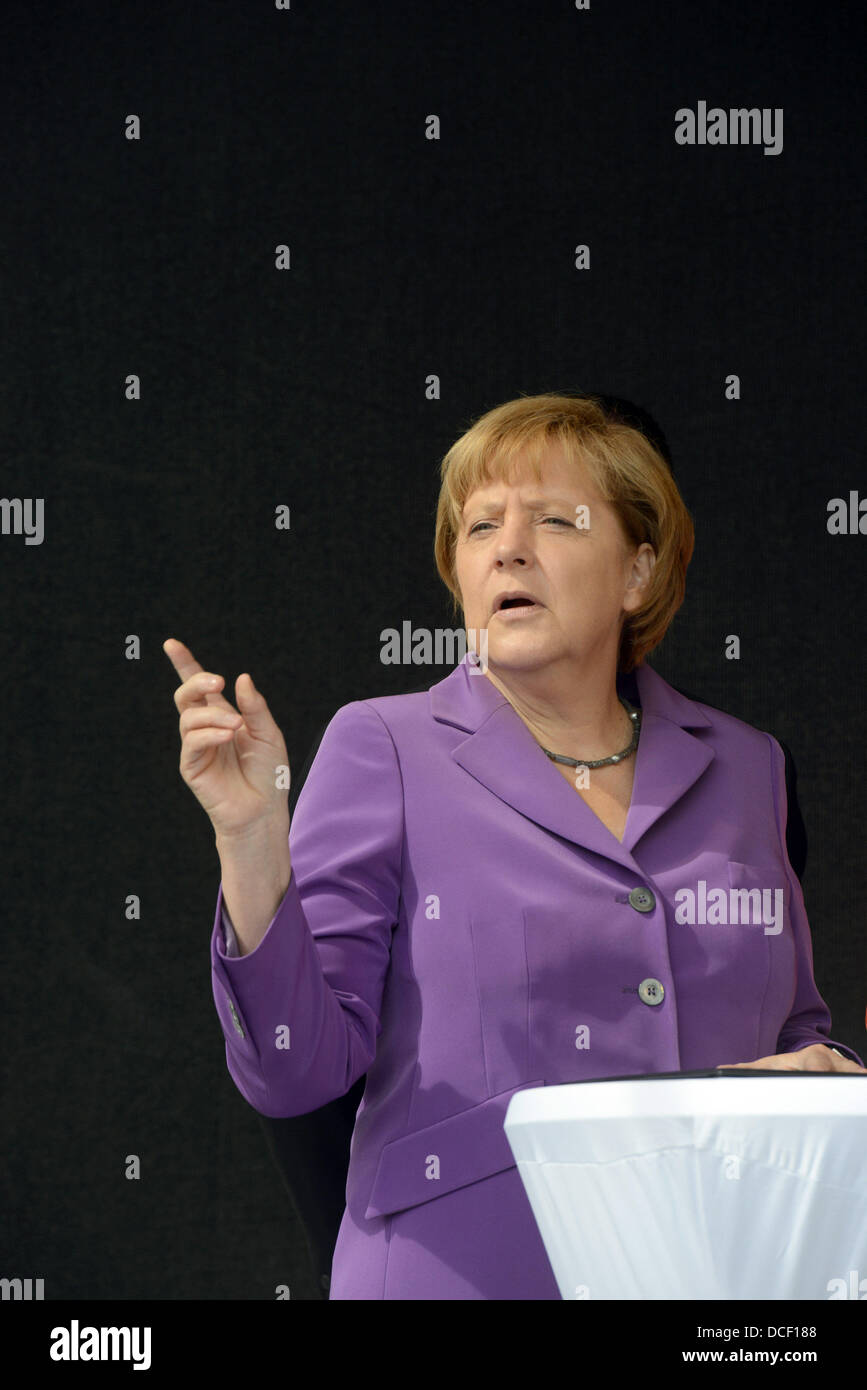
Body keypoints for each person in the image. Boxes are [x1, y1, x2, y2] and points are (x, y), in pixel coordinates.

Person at [165, 391, 866, 1300]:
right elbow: (296, 1070)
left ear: (637, 574)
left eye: (554, 520)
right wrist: (252, 836)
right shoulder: (384, 745)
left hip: (715, 1282)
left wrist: (831, 1072)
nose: (508, 546)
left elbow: (790, 1030)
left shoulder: (746, 767)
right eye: (479, 525)